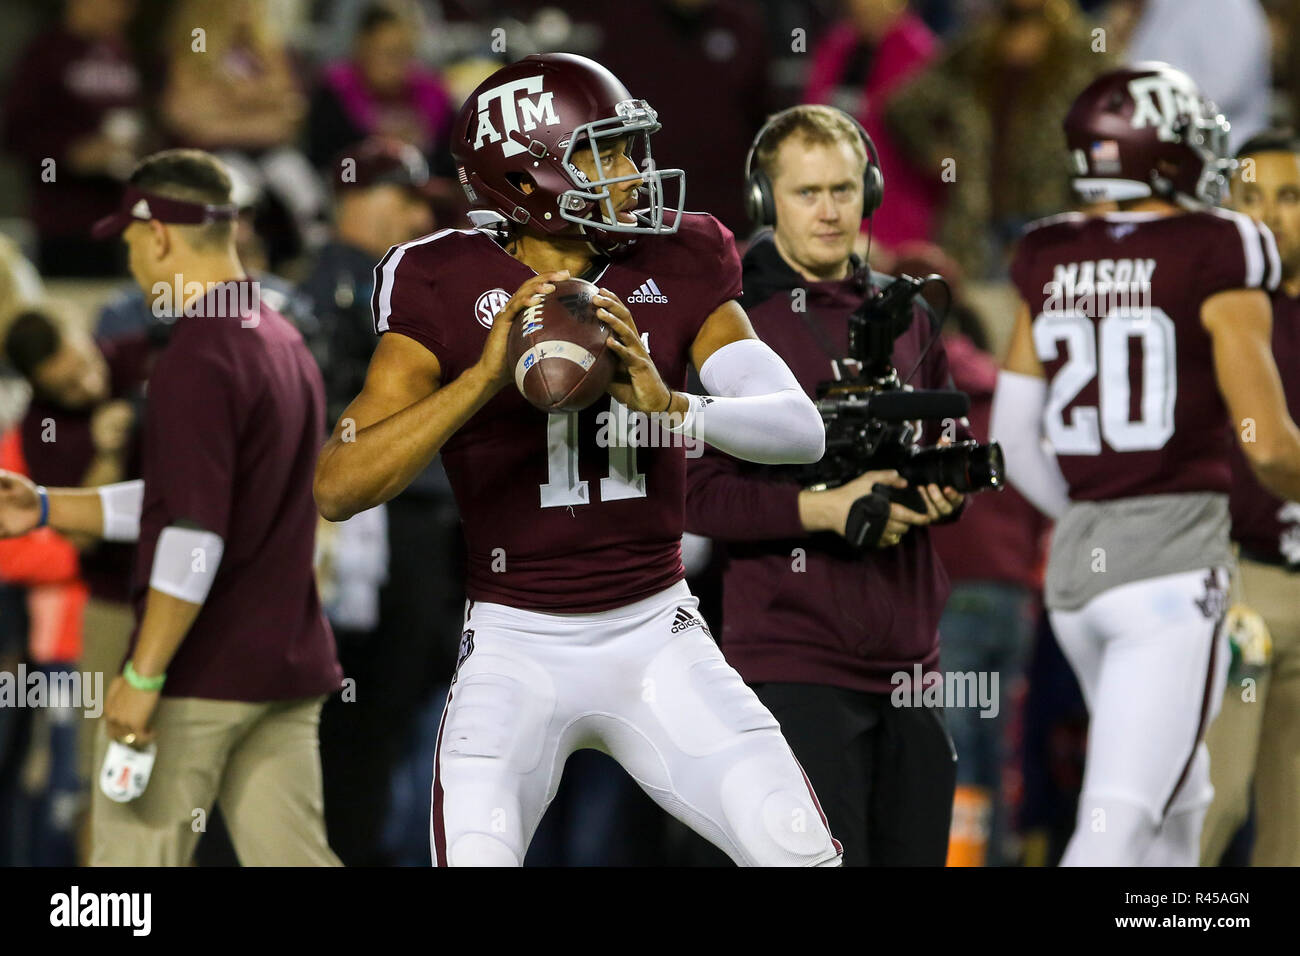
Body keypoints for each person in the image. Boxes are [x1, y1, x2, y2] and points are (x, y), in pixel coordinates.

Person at [313, 53, 840, 867]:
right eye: (607, 153)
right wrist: (483, 379)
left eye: (629, 149)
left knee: (799, 853)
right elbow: (339, 485)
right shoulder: (443, 280)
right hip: (515, 643)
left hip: (658, 631)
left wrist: (670, 407)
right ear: (530, 177)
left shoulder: (679, 255)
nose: (633, 173)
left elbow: (799, 430)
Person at [991, 64, 1300, 866]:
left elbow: (1015, 441)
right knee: (1119, 819)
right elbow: (1266, 442)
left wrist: (1096, 514)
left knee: (1183, 801)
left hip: (1078, 577)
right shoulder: (1220, 244)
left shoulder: (1050, 249)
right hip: (1170, 572)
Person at [0, 149, 343, 866]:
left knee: (124, 883)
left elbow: (194, 534)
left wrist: (145, 672)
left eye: (128, 240)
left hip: (199, 674)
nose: (129, 261)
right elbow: (198, 500)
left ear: (158, 233)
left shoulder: (198, 351)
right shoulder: (279, 337)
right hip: (285, 668)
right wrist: (45, 507)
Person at [684, 105, 967, 866]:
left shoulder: (905, 311)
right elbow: (691, 494)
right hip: (791, 662)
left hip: (913, 659)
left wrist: (939, 489)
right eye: (808, 192)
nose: (832, 209)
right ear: (763, 202)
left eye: (844, 188)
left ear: (871, 191)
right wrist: (821, 508)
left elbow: (946, 438)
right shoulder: (729, 320)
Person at [1200, 130, 1300, 866]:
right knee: (1211, 804)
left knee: (1293, 828)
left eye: (1290, 196)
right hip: (1232, 575)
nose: (1269, 214)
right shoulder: (1211, 311)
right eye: (1251, 196)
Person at [884, 0, 1114, 277]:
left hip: (1055, 218)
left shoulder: (1084, 48)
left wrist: (1102, 195)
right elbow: (904, 106)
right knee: (976, 316)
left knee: (1044, 313)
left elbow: (1110, 126)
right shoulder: (975, 47)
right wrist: (943, 160)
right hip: (976, 226)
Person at [2, 0, 143, 276]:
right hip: (63, 218)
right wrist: (69, 154)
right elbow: (15, 133)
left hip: (118, 214)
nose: (122, 12)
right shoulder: (45, 52)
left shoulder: (119, 51)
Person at [803, 0, 939, 249]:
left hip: (897, 227)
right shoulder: (835, 46)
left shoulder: (922, 56)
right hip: (830, 216)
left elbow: (933, 153)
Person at [307, 2, 456, 175]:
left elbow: (452, 162)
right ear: (362, 48)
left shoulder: (433, 94)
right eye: (387, 54)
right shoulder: (335, 91)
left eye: (404, 54)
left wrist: (422, 142)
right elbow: (325, 159)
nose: (397, 66)